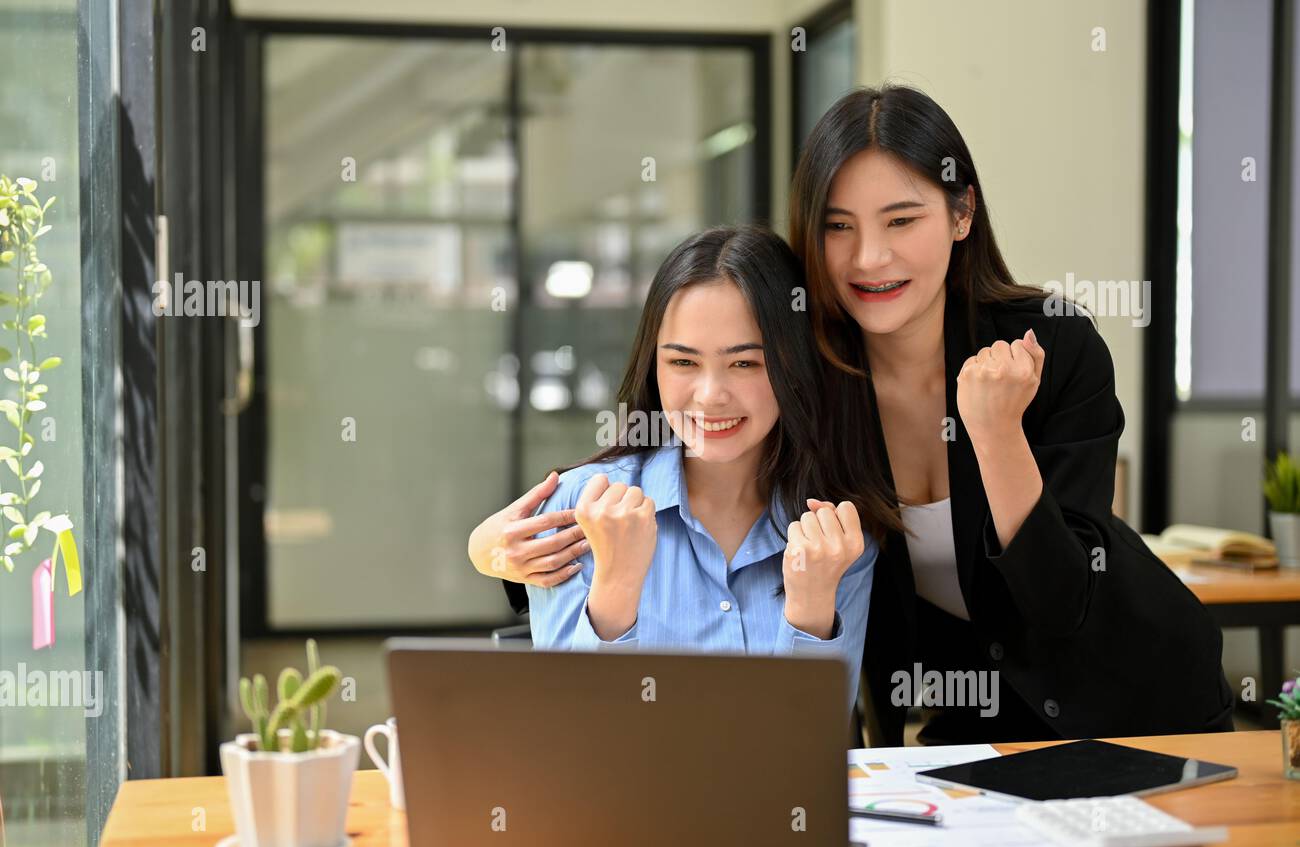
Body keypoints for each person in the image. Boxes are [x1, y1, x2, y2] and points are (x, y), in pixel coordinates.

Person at [473, 86, 1235, 747]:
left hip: (1134, 691)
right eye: (839, 226)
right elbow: (675, 475)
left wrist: (997, 433)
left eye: (902, 219)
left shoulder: (1048, 346)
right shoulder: (809, 363)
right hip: (973, 721)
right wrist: (487, 548)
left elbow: (1060, 595)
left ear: (961, 211)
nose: (870, 257)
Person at [494, 226, 898, 725]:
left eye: (745, 362)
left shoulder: (835, 536)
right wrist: (617, 586)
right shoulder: (582, 509)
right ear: (654, 364)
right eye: (684, 361)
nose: (710, 395)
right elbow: (570, 740)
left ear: (794, 365)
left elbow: (806, 744)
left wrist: (811, 607)